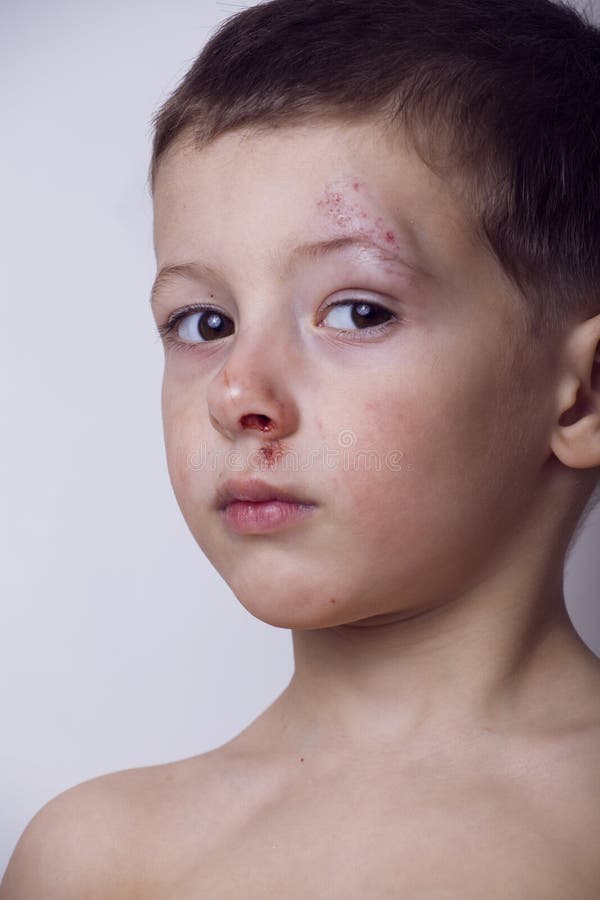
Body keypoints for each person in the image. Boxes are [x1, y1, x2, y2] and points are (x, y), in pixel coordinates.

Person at [2, 0, 600, 896]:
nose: (237, 392)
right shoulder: (98, 859)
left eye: (358, 311)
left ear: (583, 394)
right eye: (203, 322)